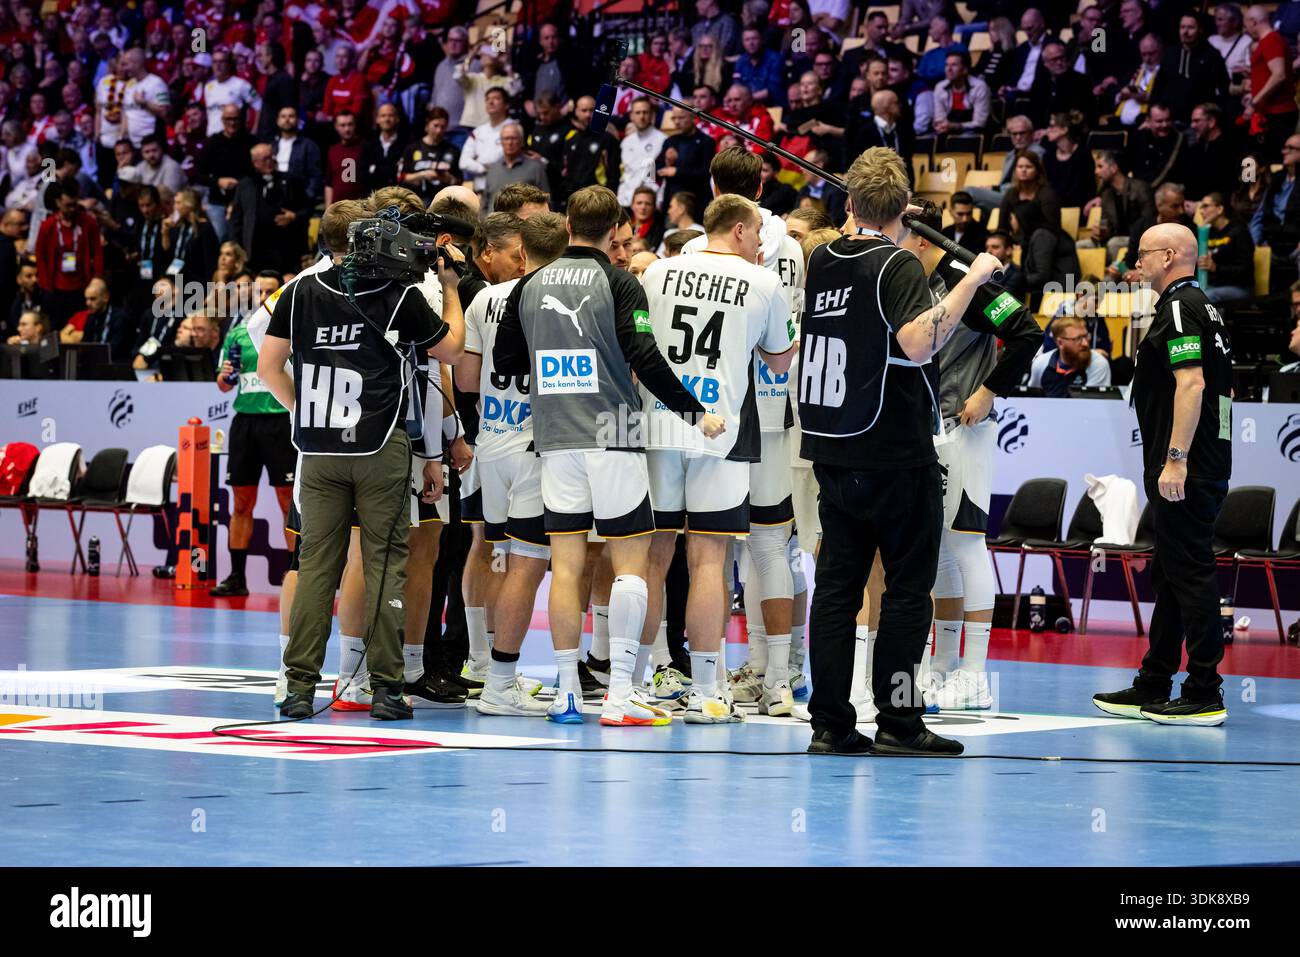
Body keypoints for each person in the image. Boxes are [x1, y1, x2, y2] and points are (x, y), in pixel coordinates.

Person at [490, 185, 724, 726]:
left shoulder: (528, 284)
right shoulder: (618, 282)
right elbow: (645, 354)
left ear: (567, 221)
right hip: (613, 435)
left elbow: (507, 360)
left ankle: (566, 691)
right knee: (630, 566)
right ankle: (621, 694)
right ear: (611, 228)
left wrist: (557, 365)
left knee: (567, 569)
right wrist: (695, 413)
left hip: (555, 440)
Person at [799, 147, 1001, 756]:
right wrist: (971, 279)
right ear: (901, 210)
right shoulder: (900, 265)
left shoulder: (823, 257)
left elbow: (860, 245)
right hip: (891, 449)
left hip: (833, 447)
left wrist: (881, 213)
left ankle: (831, 724)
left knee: (837, 590)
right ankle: (898, 720)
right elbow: (918, 342)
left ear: (850, 204)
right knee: (907, 591)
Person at [258, 199, 466, 721]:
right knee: (383, 566)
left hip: (318, 447)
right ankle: (388, 691)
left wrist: (305, 409)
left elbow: (268, 366)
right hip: (379, 446)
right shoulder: (396, 295)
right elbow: (451, 352)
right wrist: (452, 289)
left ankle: (300, 688)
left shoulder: (301, 289)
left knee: (315, 569)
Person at [637, 199, 795, 726]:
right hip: (722, 430)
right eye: (758, 236)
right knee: (709, 560)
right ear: (739, 228)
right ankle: (707, 690)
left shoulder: (658, 270)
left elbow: (637, 344)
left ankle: (644, 680)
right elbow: (778, 358)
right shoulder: (762, 282)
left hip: (658, 425)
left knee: (652, 557)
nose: (761, 247)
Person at [897, 201, 1042, 711]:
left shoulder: (966, 276)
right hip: (928, 429)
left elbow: (1028, 331)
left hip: (966, 427)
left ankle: (976, 673)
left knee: (967, 545)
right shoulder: (916, 278)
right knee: (938, 549)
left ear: (920, 237)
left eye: (899, 230)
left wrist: (989, 392)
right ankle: (940, 666)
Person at [1093, 223, 1233, 726]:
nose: (1136, 262)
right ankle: (1155, 680)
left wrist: (1176, 457)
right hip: (1204, 461)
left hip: (1188, 466)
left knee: (1190, 572)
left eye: (1143, 253)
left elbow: (1192, 384)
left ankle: (1204, 690)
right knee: (1171, 572)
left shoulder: (1179, 306)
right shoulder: (1204, 307)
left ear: (1170, 255)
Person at [453, 212, 570, 718]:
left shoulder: (482, 298)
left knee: (494, 556)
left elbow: (467, 381)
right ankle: (500, 683)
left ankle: (487, 666)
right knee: (528, 566)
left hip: (491, 445)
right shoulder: (555, 295)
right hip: (533, 447)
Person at [210, 271, 295, 598]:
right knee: (241, 503)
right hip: (245, 423)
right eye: (259, 290)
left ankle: (296, 573)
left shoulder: (291, 331)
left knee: (287, 501)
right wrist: (226, 376)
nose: (263, 297)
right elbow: (222, 383)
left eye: (270, 292)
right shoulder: (238, 334)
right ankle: (236, 577)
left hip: (280, 421)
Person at [1029, 315, 1113, 395]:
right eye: (1078, 339)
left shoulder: (1098, 364)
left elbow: (1091, 406)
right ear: (1060, 343)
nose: (1085, 343)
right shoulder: (1041, 364)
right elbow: (1033, 401)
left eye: (1086, 336)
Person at [1196, 192, 1255, 304]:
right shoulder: (1207, 232)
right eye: (1200, 207)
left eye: (1206, 206)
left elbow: (1245, 270)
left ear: (1219, 209)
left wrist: (1215, 268)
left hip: (1239, 287)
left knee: (1205, 297)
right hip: (1211, 286)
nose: (1201, 211)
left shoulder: (1239, 231)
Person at [480, 123, 548, 218]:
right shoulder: (493, 168)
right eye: (506, 138)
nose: (509, 142)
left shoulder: (535, 168)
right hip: (493, 228)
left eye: (513, 138)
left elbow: (545, 202)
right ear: (501, 142)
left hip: (524, 228)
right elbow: (485, 203)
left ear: (522, 141)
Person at [940, 191, 988, 256]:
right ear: (951, 212)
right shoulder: (945, 232)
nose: (965, 219)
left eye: (968, 214)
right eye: (960, 214)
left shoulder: (983, 234)